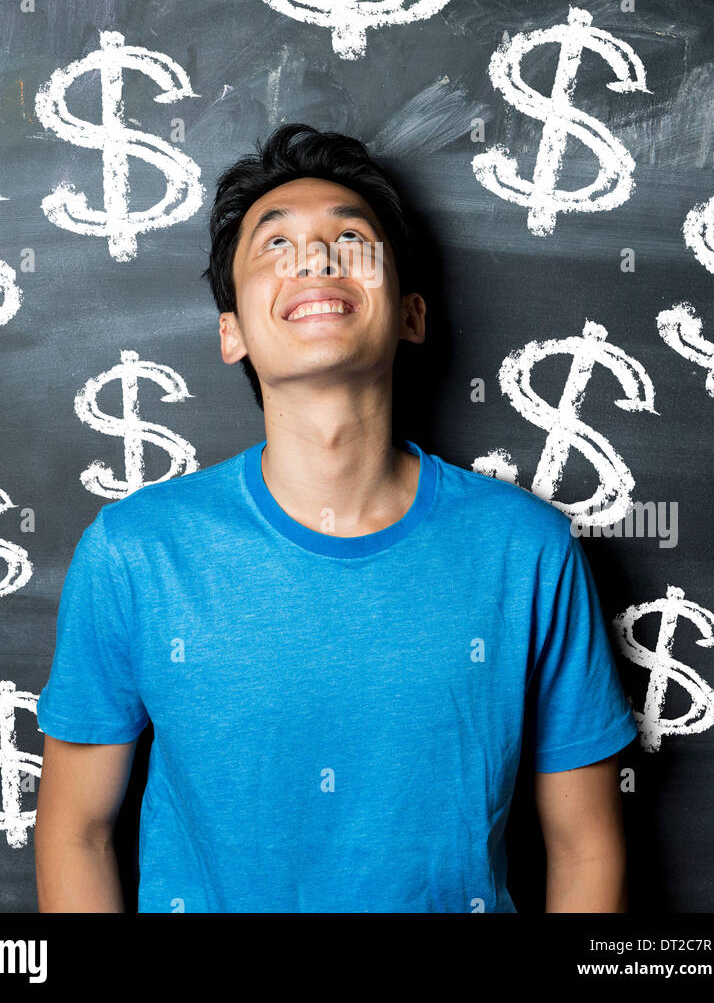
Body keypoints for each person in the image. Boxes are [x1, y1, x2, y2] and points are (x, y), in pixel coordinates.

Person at [35, 122, 638, 913]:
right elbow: (75, 831)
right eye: (274, 243)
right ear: (232, 334)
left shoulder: (525, 549)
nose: (316, 258)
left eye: (350, 237)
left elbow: (585, 844)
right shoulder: (134, 553)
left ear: (413, 316)